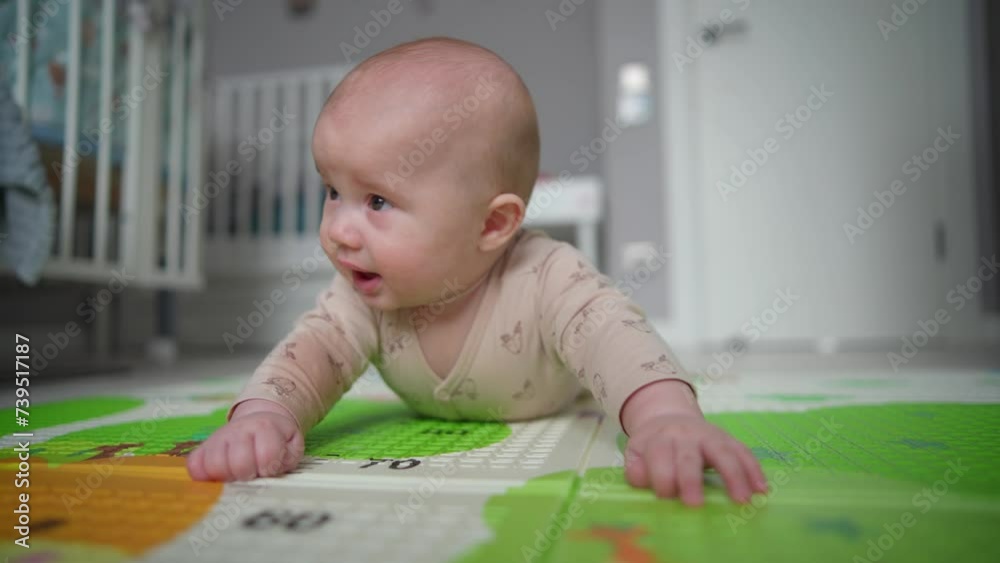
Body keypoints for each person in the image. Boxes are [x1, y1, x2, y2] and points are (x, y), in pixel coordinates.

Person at [187, 37, 768, 507]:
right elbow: (310, 353)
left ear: (492, 226)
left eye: (378, 202)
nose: (339, 228)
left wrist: (664, 419)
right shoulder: (362, 296)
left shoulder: (545, 275)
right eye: (333, 191)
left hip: (551, 403)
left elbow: (613, 333)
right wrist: (264, 415)